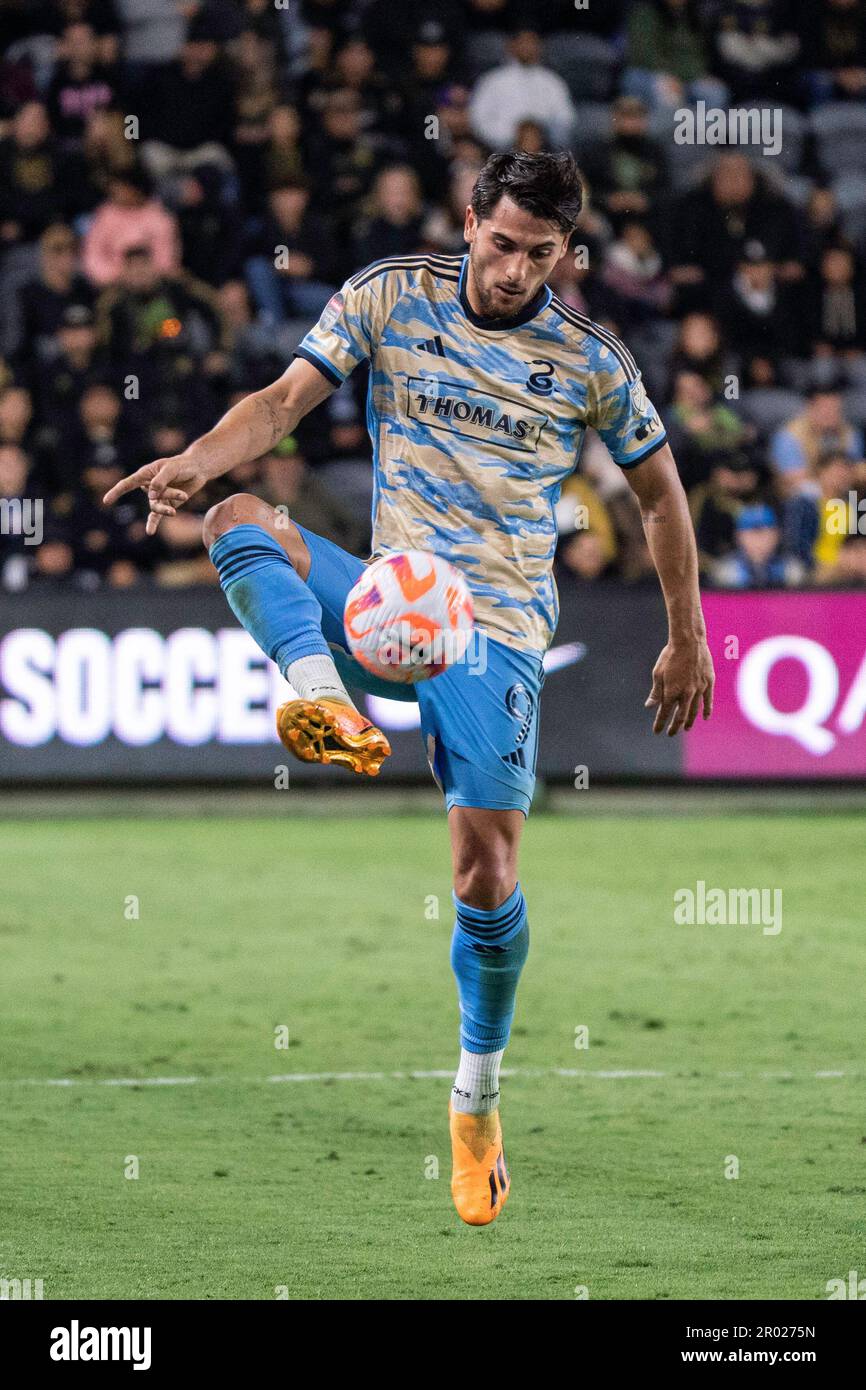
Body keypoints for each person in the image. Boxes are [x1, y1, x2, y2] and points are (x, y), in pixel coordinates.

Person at [103, 150, 714, 1227]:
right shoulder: (389, 292)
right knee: (240, 519)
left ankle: (474, 1102)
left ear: (565, 253)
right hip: (390, 596)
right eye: (501, 241)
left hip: (495, 632)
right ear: (468, 218)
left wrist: (686, 635)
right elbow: (285, 397)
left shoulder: (589, 361)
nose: (516, 268)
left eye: (540, 253)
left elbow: (659, 496)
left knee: (484, 873)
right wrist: (199, 457)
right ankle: (322, 701)